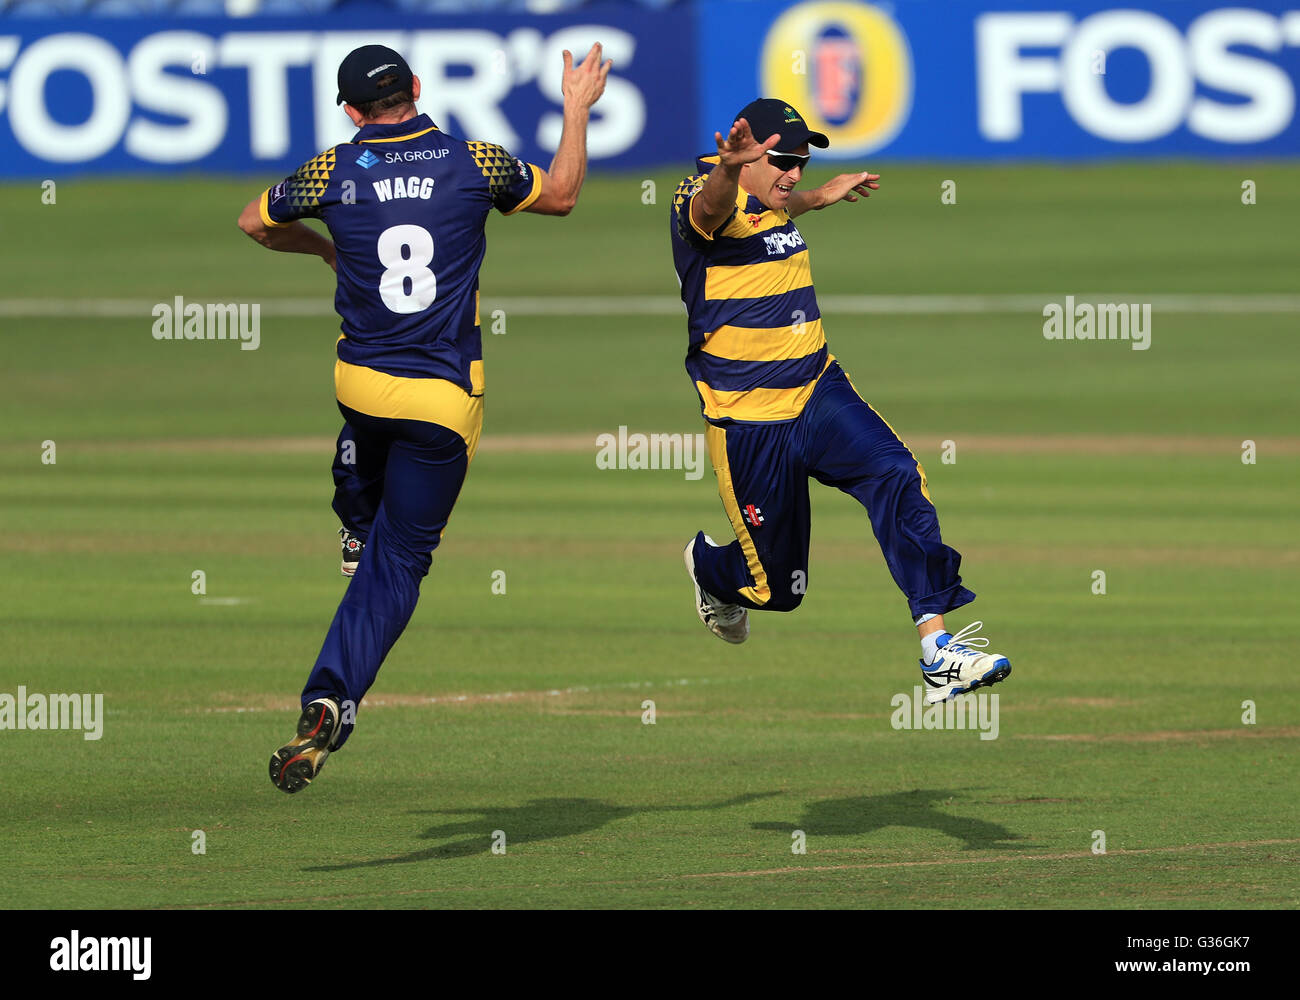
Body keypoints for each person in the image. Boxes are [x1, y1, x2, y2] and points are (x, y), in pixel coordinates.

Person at [238, 41, 611, 792]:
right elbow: (565, 193)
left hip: (363, 385)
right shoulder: (476, 161)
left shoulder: (333, 168)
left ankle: (352, 516)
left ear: (350, 111)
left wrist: (320, 250)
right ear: (416, 87)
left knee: (361, 448)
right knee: (398, 564)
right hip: (443, 402)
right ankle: (329, 696)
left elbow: (253, 221)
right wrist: (576, 109)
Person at [671, 98, 1012, 704]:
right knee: (780, 590)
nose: (793, 173)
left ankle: (938, 649)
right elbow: (715, 211)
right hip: (749, 422)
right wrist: (728, 167)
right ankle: (710, 571)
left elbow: (766, 207)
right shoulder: (701, 192)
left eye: (800, 161)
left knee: (896, 473)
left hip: (817, 389)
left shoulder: (773, 196)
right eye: (782, 160)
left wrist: (817, 198)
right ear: (747, 156)